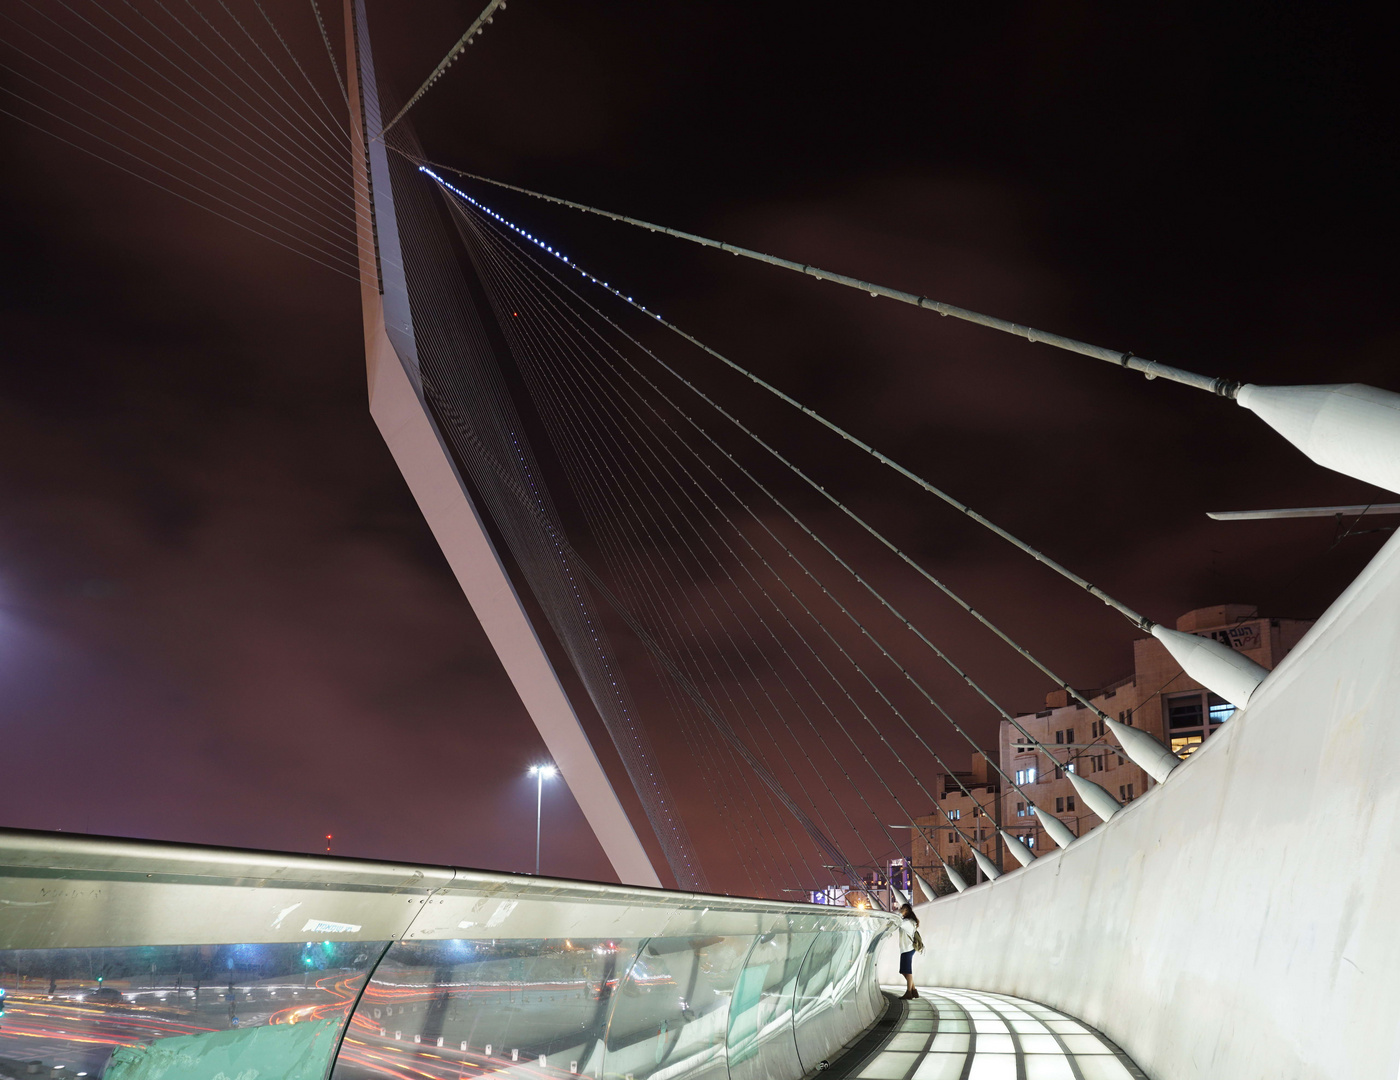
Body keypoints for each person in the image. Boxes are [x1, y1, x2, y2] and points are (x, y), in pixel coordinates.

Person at [897, 903, 919, 999]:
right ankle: (913, 991)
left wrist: (899, 914)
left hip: (907, 949)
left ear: (906, 911)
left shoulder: (907, 922)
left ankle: (909, 992)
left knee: (907, 971)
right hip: (907, 949)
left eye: (902, 909)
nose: (900, 910)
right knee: (904, 971)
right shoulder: (909, 921)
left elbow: (898, 922)